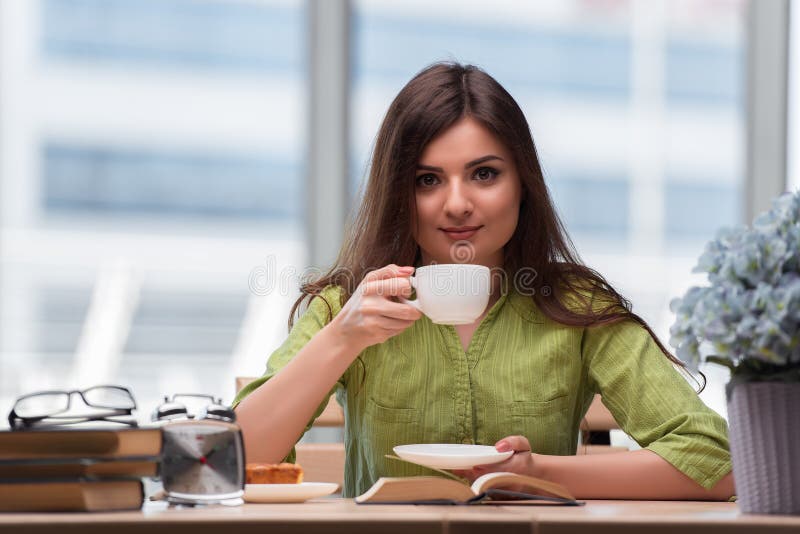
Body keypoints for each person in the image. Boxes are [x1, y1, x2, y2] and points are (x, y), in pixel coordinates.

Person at [234, 62, 734, 500]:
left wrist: (537, 473)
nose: (456, 203)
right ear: (398, 194)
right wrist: (342, 338)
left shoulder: (575, 307)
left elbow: (718, 464)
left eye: (484, 174)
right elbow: (227, 461)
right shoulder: (349, 306)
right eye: (427, 180)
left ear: (523, 185)